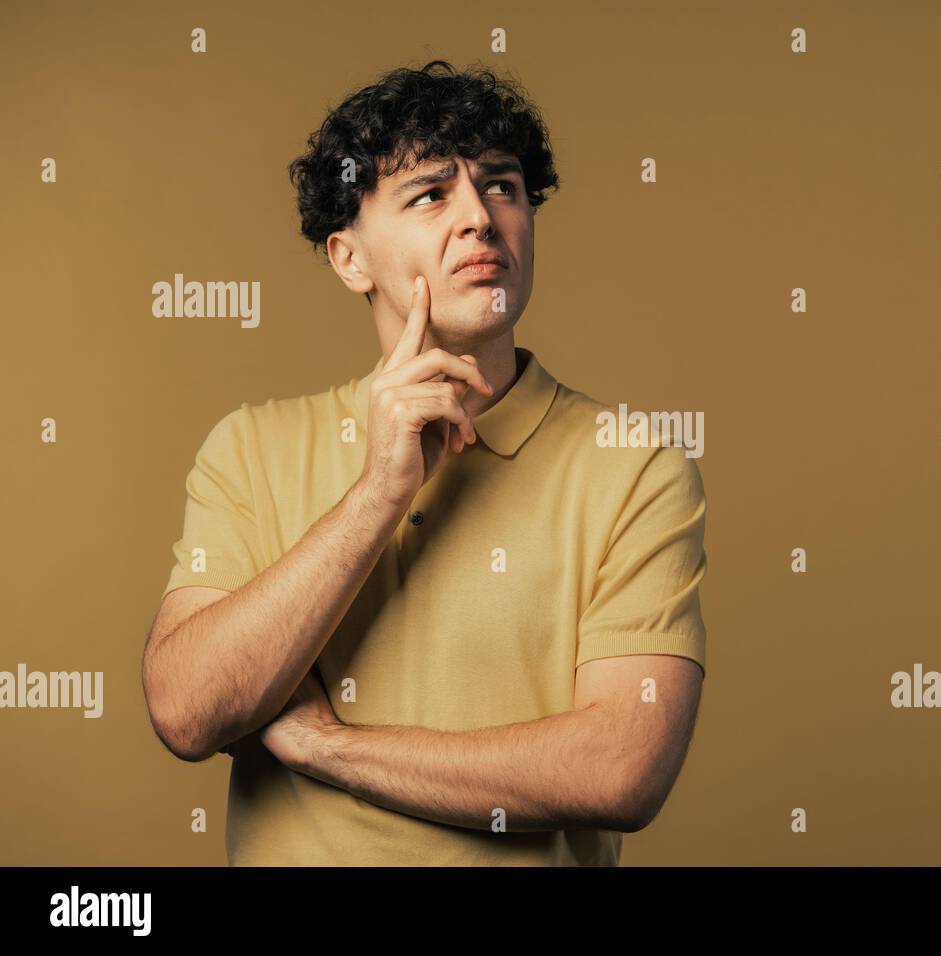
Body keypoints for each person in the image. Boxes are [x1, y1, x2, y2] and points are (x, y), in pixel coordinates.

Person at [141, 60, 708, 866]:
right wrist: (377, 494)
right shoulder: (249, 448)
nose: (480, 216)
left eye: (503, 187)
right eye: (431, 194)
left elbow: (622, 768)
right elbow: (188, 713)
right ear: (349, 259)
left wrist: (327, 748)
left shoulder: (636, 469)